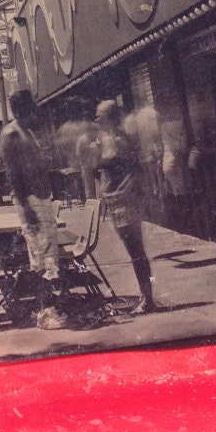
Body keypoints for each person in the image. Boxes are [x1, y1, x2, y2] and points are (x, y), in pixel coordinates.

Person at [0, 89, 66, 330]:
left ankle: (46, 308)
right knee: (43, 258)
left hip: (40, 199)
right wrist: (26, 207)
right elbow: (13, 175)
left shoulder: (26, 132)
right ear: (21, 109)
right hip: (31, 201)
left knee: (48, 257)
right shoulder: (11, 134)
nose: (36, 111)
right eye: (32, 107)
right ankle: (45, 313)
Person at [94, 99, 157, 314]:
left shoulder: (122, 139)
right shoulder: (107, 139)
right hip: (115, 201)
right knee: (133, 250)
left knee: (136, 251)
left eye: (99, 115)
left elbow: (134, 168)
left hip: (125, 202)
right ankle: (145, 296)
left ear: (109, 117)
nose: (96, 119)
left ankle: (147, 299)